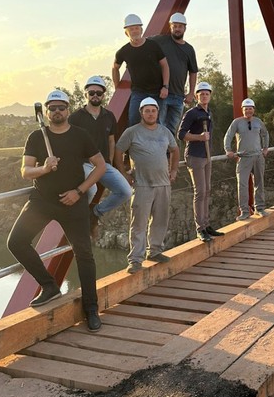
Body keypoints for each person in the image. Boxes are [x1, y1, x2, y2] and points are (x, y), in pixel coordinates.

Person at [7, 90, 107, 332]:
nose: (57, 112)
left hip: (73, 202)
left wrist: (80, 192)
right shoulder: (36, 137)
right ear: (47, 112)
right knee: (16, 242)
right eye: (52, 108)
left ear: (68, 110)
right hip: (42, 201)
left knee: (84, 254)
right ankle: (49, 286)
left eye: (61, 107)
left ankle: (91, 309)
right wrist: (43, 169)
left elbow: (101, 166)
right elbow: (25, 171)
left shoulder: (80, 136)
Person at [115, 97, 180, 274]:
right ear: (141, 113)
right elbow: (118, 151)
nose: (150, 114)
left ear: (157, 112)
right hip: (142, 185)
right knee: (139, 224)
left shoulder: (165, 132)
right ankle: (135, 259)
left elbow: (175, 150)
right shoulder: (132, 132)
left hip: (163, 184)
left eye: (153, 110)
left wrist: (174, 170)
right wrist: (123, 174)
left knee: (160, 221)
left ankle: (155, 251)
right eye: (147, 111)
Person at [68, 75, 132, 237]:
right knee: (92, 190)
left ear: (104, 95)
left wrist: (108, 161)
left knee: (125, 191)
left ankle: (95, 213)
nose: (95, 95)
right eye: (91, 93)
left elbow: (111, 141)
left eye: (98, 92)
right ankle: (80, 221)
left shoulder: (109, 116)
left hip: (103, 164)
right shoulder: (75, 118)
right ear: (86, 95)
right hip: (85, 164)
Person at [178, 82, 227, 242]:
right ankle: (200, 229)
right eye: (202, 94)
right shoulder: (192, 113)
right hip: (195, 156)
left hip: (207, 156)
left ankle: (206, 225)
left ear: (210, 96)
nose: (204, 96)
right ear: (197, 96)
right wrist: (199, 137)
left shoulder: (209, 112)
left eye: (207, 94)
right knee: (200, 192)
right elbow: (181, 134)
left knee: (207, 191)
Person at [113, 14, 170, 126]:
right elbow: (115, 67)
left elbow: (165, 66)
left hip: (158, 92)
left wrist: (165, 86)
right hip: (138, 92)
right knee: (133, 120)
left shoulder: (153, 46)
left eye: (137, 28)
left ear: (141, 29)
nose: (134, 31)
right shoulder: (124, 51)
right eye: (131, 29)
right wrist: (116, 86)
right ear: (126, 33)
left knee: (158, 123)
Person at [151, 12, 199, 136]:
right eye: (175, 26)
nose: (177, 29)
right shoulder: (161, 40)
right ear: (170, 27)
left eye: (180, 26)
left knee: (172, 129)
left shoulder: (189, 49)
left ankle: (168, 155)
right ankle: (159, 154)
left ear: (185, 28)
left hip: (179, 96)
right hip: (162, 93)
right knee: (158, 126)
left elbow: (193, 72)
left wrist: (191, 92)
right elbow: (143, 43)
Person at [225, 98, 272, 220]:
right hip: (243, 158)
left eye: (250, 108)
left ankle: (260, 208)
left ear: (254, 110)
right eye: (246, 109)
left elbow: (265, 134)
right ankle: (245, 211)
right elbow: (228, 136)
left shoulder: (258, 121)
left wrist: (266, 148)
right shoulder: (237, 122)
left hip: (258, 157)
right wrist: (228, 150)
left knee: (259, 183)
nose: (248, 111)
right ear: (242, 110)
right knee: (242, 185)